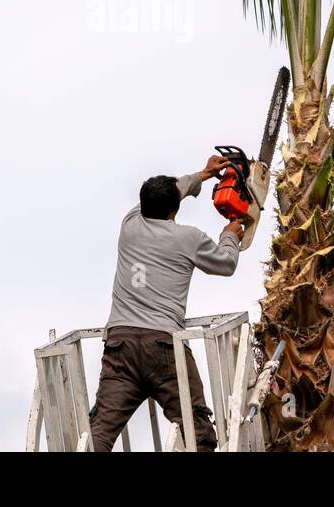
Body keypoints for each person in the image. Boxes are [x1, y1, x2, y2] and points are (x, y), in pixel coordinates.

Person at [89, 154, 244, 452]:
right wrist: (229, 236)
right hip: (164, 348)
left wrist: (202, 174)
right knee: (196, 428)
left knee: (101, 429)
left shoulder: (130, 224)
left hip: (120, 346)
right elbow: (226, 264)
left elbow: (176, 188)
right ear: (175, 208)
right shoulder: (189, 238)